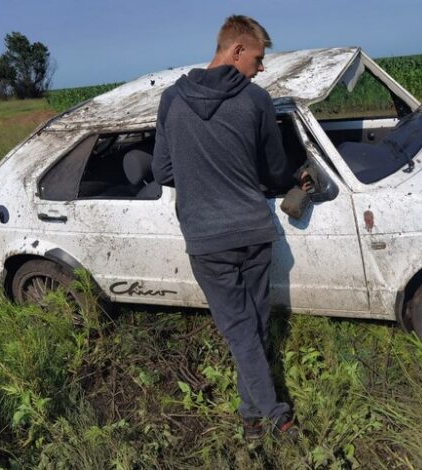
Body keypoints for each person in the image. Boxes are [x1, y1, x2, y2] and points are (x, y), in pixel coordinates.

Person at [152, 15, 298, 440]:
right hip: (253, 230)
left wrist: (200, 173)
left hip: (206, 239)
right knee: (249, 326)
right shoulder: (255, 101)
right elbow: (274, 172)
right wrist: (288, 180)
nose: (261, 66)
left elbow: (162, 170)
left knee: (242, 329)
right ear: (236, 50)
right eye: (258, 57)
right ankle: (264, 415)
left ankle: (262, 416)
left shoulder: (171, 101)